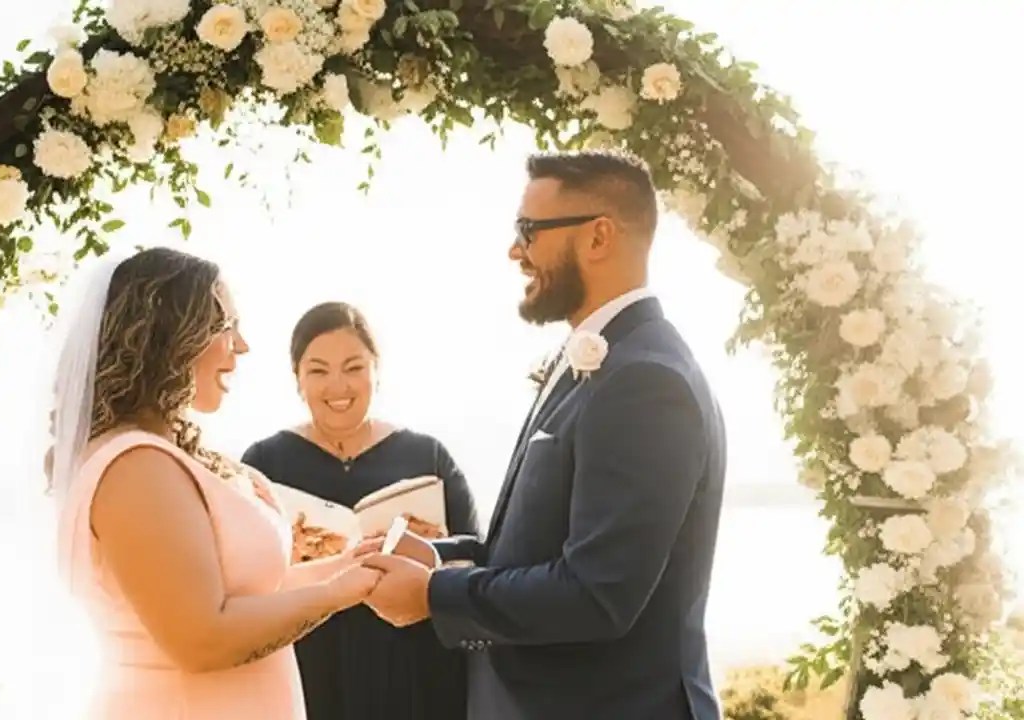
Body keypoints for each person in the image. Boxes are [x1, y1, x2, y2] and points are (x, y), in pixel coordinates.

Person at [361, 151, 729, 720]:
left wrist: (432, 596)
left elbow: (596, 594)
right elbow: (534, 547)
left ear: (598, 238)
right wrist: (434, 557)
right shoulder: (600, 360)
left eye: (528, 231)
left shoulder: (646, 380)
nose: (515, 250)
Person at [48, 248, 381, 719]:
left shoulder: (169, 456)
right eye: (226, 327)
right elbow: (202, 639)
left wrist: (349, 568)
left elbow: (252, 594)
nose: (241, 346)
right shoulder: (136, 468)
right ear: (170, 337)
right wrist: (338, 594)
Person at [242, 301, 479, 720]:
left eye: (354, 367)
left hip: (415, 666)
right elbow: (242, 580)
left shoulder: (427, 456)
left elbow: (474, 556)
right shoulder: (264, 463)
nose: (338, 386)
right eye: (318, 370)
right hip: (309, 664)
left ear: (376, 370)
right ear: (297, 378)